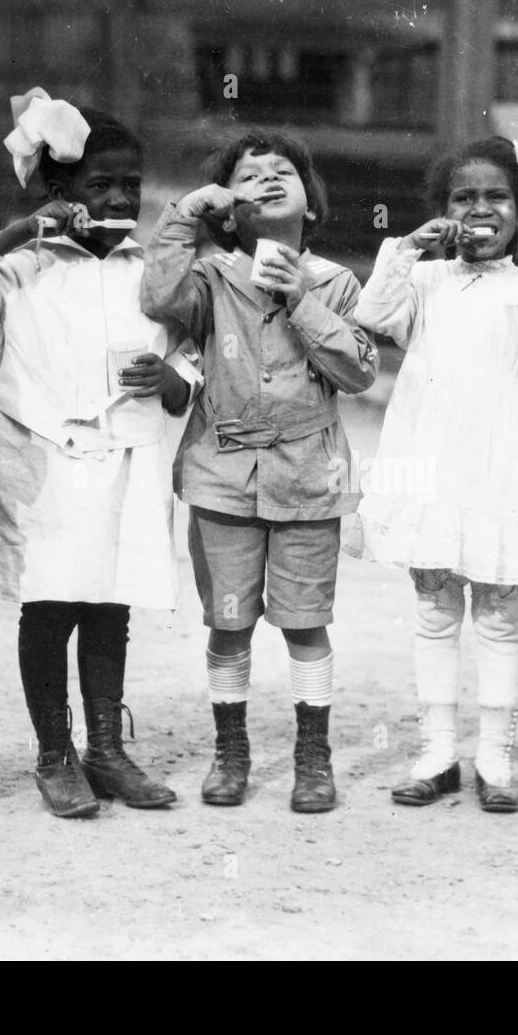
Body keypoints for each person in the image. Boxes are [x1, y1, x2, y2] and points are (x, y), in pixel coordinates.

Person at [0, 89, 198, 818]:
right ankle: (55, 750)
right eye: (99, 185)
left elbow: (193, 341)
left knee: (109, 602)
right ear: (60, 194)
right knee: (50, 604)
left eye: (131, 187)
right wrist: (25, 230)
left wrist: (177, 378)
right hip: (41, 455)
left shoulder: (151, 270)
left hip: (123, 454)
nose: (119, 198)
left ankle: (106, 749)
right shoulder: (24, 267)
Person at [140, 130, 376, 813]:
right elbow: (158, 298)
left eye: (284, 173)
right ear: (228, 210)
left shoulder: (334, 281)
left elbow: (359, 369)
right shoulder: (209, 279)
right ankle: (231, 749)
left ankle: (313, 755)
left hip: (309, 475)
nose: (268, 179)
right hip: (222, 472)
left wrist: (302, 300)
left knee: (305, 621)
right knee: (230, 620)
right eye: (249, 175)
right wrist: (186, 212)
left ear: (311, 204)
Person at [351, 135, 518, 814]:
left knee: (500, 613)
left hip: (504, 466)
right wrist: (406, 250)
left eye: (496, 197)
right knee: (432, 604)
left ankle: (496, 754)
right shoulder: (423, 279)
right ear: (445, 209)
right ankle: (436, 751)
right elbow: (372, 318)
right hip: (433, 465)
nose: (481, 209)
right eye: (464, 197)